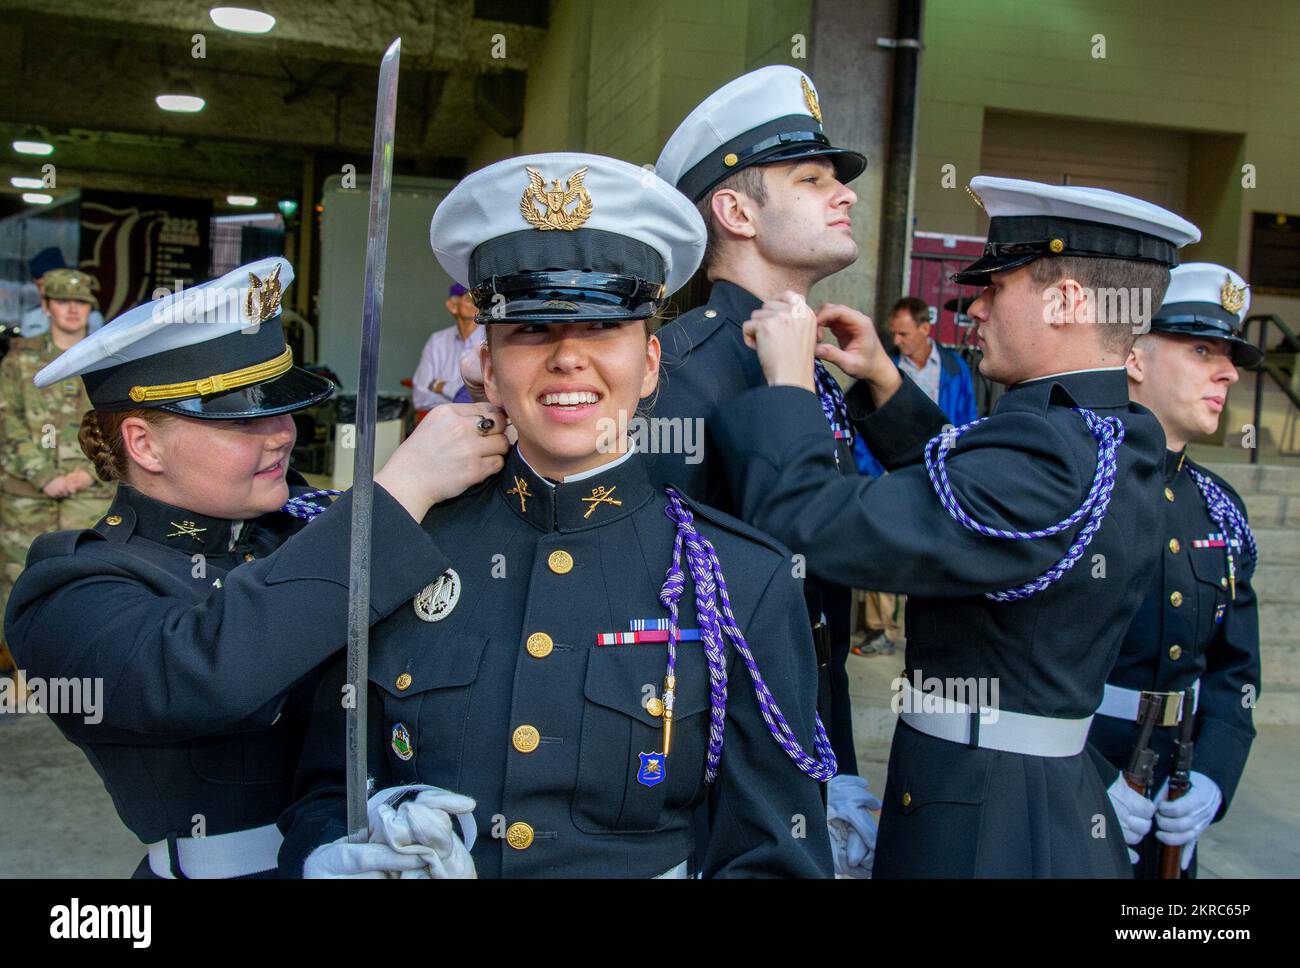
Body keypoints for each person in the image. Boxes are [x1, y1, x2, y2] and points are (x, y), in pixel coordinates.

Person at [277, 152, 833, 879]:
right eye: (531, 330)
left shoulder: (742, 582)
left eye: (604, 327)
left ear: (652, 361)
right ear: (488, 361)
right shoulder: (405, 550)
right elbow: (323, 787)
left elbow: (776, 856)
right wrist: (333, 854)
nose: (568, 358)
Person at [709, 176, 1200, 877]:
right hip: (1018, 795)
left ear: (1066, 301)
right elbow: (980, 507)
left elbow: (815, 523)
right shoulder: (1106, 429)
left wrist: (788, 384)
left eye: (997, 288)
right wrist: (885, 380)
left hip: (986, 825)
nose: (974, 308)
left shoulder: (1052, 452)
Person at [4, 256, 507, 878]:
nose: (281, 434)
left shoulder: (314, 524)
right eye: (241, 418)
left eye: (282, 407)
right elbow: (205, 669)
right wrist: (399, 494)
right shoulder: (74, 587)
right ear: (143, 443)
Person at [650, 66, 877, 876]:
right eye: (811, 179)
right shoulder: (674, 372)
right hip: (708, 783)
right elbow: (651, 611)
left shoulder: (814, 371)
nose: (843, 194)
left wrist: (838, 763)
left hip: (799, 760)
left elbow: (818, 608)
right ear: (736, 210)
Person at [1094, 262, 1261, 878]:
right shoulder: (1079, 485)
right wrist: (1086, 778)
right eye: (1200, 349)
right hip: (1075, 773)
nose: (1228, 372)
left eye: (1229, 356)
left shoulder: (1219, 505)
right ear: (1135, 357)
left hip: (1176, 778)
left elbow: (1235, 670)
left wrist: (1214, 776)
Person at [0, 269, 112, 686]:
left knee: (86, 583)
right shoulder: (20, 360)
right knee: (19, 585)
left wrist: (86, 473)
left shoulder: (104, 360)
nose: (71, 308)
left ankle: (81, 675)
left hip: (90, 494)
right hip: (28, 495)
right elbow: (6, 422)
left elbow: (121, 425)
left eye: (80, 301)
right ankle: (20, 678)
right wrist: (45, 476)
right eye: (62, 300)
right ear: (45, 307)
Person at [853, 296, 977, 655]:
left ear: (926, 329)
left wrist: (959, 472)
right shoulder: (885, 365)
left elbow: (966, 421)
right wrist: (870, 473)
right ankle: (880, 630)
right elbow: (867, 426)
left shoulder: (956, 370)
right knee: (879, 544)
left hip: (940, 474)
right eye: (894, 334)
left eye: (905, 333)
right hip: (889, 470)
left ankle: (929, 630)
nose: (899, 341)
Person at [410, 282, 485, 415]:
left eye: (478, 299)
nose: (477, 304)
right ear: (452, 306)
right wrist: (462, 400)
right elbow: (420, 397)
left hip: (480, 422)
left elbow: (490, 396)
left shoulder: (489, 339)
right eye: (469, 299)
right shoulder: (437, 341)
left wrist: (440, 386)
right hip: (442, 424)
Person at [20, 247, 105, 338]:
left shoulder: (91, 317)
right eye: (39, 285)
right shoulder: (31, 318)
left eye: (49, 284)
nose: (43, 290)